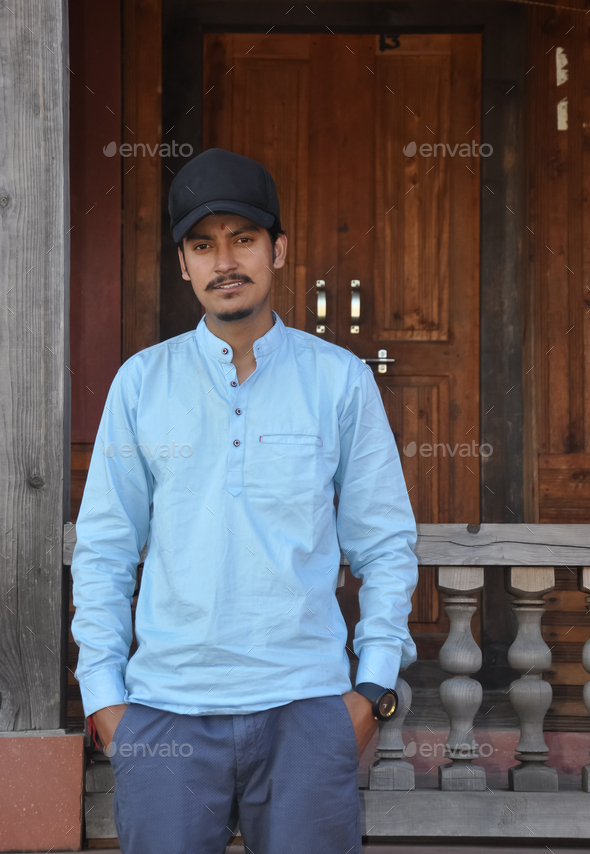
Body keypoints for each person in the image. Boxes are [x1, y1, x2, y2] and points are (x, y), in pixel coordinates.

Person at [71, 147, 419, 854]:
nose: (224, 261)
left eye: (243, 239)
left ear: (278, 249)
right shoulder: (142, 384)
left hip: (306, 710)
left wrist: (373, 687)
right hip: (166, 712)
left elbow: (384, 544)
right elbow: (105, 549)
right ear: (183, 264)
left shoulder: (340, 382)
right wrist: (105, 698)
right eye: (203, 245)